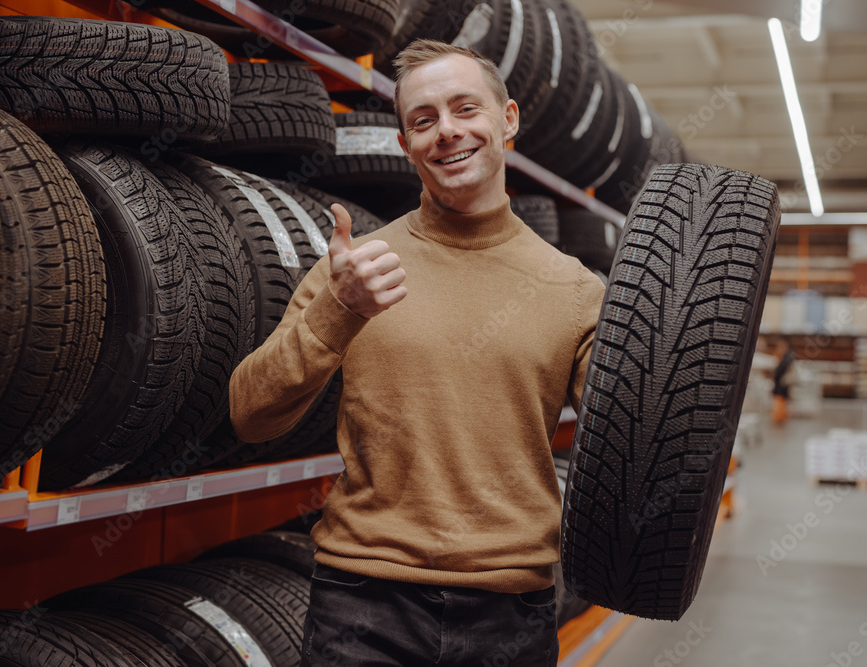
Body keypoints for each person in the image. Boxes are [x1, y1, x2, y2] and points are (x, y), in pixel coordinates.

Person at [228, 38, 606, 666]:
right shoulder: (357, 269)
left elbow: (633, 437)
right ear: (405, 145)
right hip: (363, 603)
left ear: (507, 119)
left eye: (466, 109)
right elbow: (250, 414)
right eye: (423, 120)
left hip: (511, 607)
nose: (447, 133)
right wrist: (337, 312)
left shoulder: (574, 290)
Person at [771, 337, 795, 425]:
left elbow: (779, 372)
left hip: (781, 385)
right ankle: (780, 418)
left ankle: (779, 419)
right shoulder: (787, 356)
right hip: (782, 385)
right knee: (782, 402)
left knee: (780, 402)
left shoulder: (786, 357)